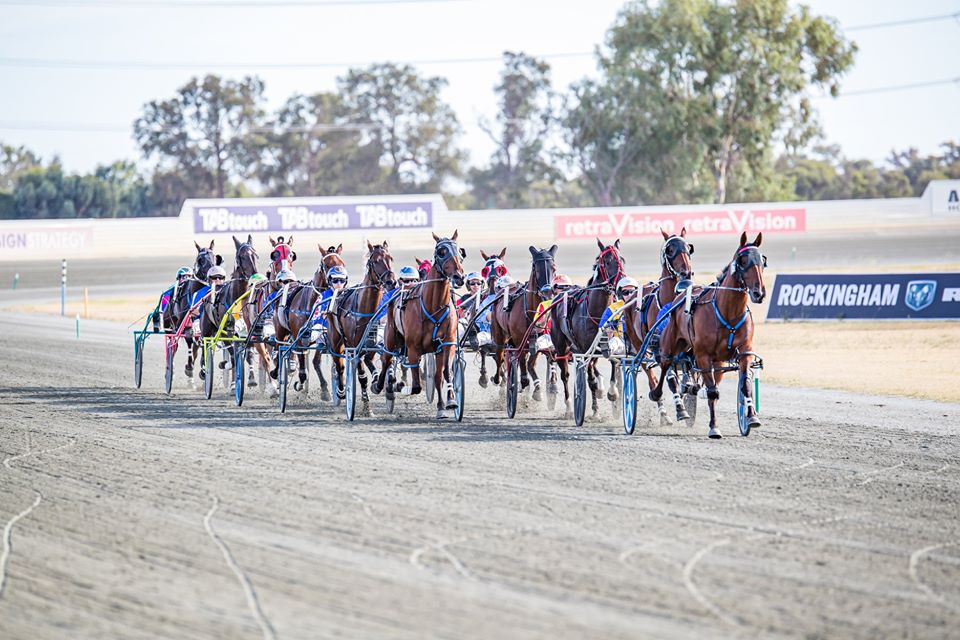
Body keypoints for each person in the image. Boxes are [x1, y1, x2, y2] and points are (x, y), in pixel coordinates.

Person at [600, 276, 638, 355]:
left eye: (632, 292)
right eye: (626, 292)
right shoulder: (613, 308)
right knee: (615, 341)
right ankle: (608, 350)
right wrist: (608, 332)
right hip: (622, 343)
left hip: (639, 343)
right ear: (620, 294)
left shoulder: (642, 306)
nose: (630, 295)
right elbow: (602, 327)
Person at [153, 266, 193, 331]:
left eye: (189, 276)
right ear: (179, 278)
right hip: (168, 311)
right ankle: (159, 316)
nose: (187, 279)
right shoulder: (173, 289)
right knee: (166, 294)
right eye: (184, 277)